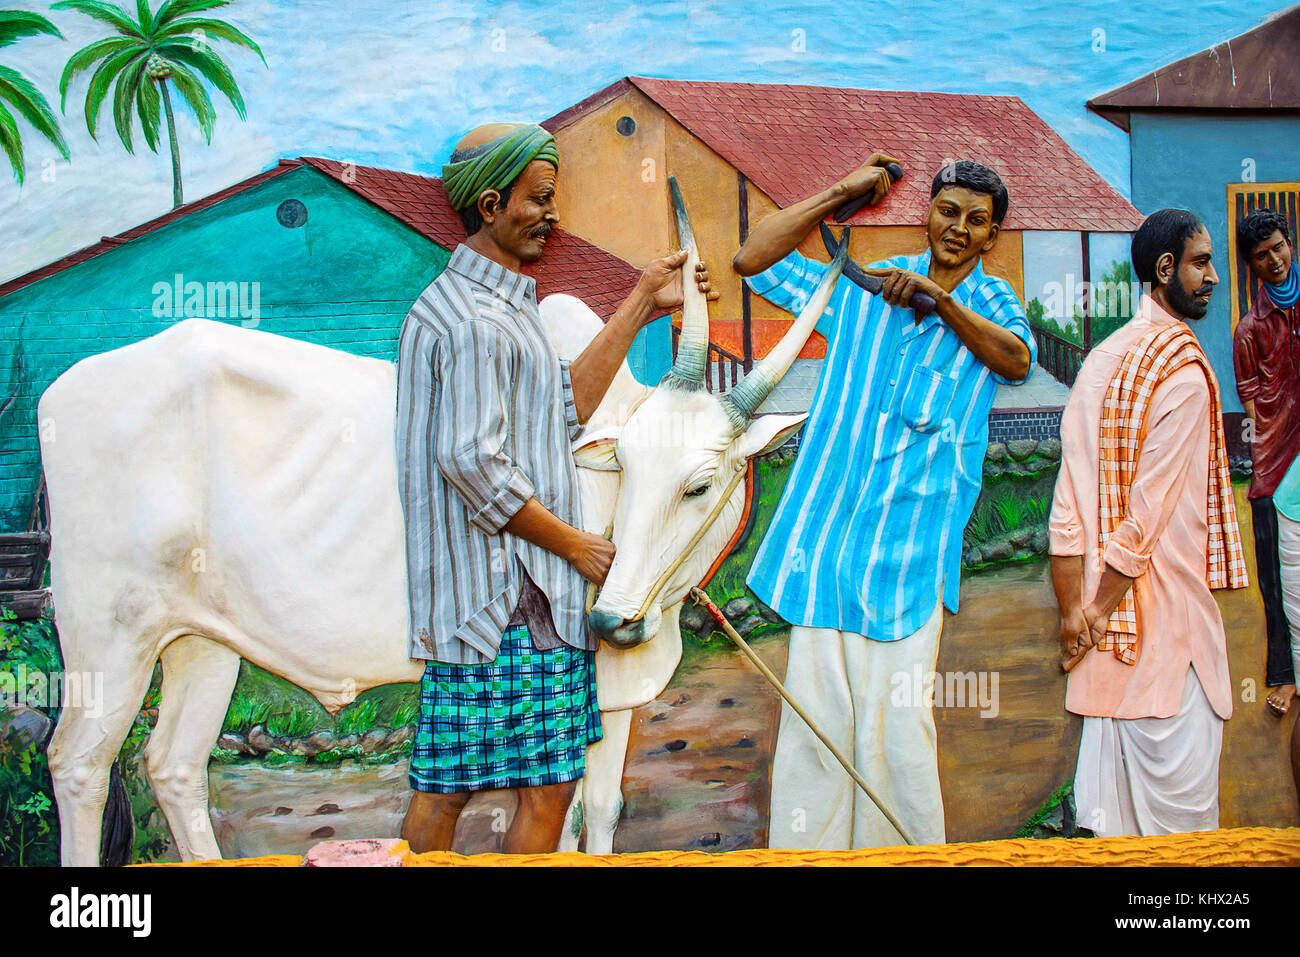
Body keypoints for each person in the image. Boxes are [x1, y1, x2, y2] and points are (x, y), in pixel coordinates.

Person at [395, 122, 712, 853]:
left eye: (553, 197)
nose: (552, 214)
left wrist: (639, 301)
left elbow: (560, 411)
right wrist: (578, 547)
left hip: (519, 603)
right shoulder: (474, 320)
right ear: (489, 202)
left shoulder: (499, 308)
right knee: (471, 793)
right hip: (505, 604)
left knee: (511, 788)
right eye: (538, 200)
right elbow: (474, 463)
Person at [732, 156, 1035, 849]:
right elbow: (752, 258)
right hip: (825, 555)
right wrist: (841, 191)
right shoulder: (862, 286)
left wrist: (940, 299)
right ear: (928, 213)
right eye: (948, 211)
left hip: (907, 568)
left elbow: (1016, 360)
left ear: (992, 237)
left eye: (976, 221)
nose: (958, 229)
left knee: (898, 738)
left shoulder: (991, 304)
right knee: (815, 734)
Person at [1051, 208, 1249, 837]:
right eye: (1201, 261)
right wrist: (1104, 608)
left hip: (1100, 648)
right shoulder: (1184, 372)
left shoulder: (1102, 359)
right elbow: (1147, 517)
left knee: (1109, 835)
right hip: (1166, 640)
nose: (1214, 276)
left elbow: (1067, 514)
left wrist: (1073, 616)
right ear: (1166, 269)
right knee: (1184, 849)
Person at [1231, 209, 1300, 716]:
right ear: (1251, 266)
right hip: (1277, 468)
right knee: (1278, 583)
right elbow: (1253, 405)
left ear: (1290, 243)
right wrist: (1270, 456)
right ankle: (1285, 675)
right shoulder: (1250, 329)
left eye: (1278, 247)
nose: (1273, 261)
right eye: (1262, 256)